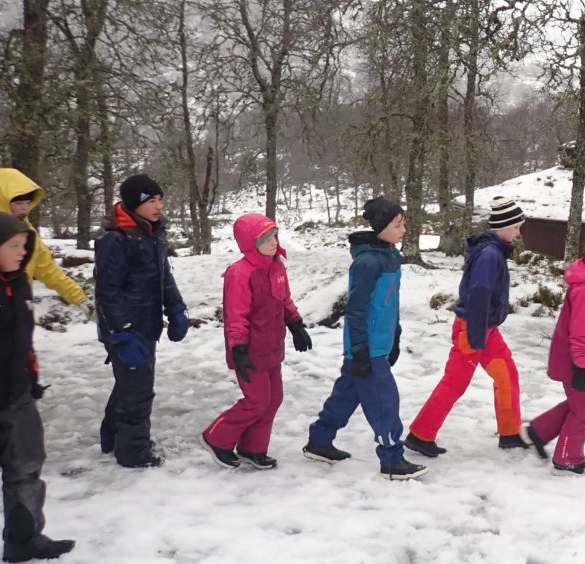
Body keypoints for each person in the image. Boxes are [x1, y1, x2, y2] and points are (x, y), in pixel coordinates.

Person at [303, 198, 427, 481]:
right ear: (380, 227)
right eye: (397, 225)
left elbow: (388, 305)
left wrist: (395, 336)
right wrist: (360, 350)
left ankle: (319, 441)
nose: (403, 230)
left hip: (379, 343)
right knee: (385, 401)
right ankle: (392, 460)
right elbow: (356, 310)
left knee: (346, 395)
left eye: (403, 224)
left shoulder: (390, 256)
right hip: (367, 347)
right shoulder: (368, 262)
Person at [0, 211, 75, 563]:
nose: (22, 253)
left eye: (24, 245)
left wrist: (30, 379)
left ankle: (24, 539)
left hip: (17, 396)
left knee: (27, 465)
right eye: (13, 246)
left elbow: (22, 340)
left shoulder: (17, 283)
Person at [404, 197, 530, 457]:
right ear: (503, 226)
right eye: (516, 227)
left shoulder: (494, 251)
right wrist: (475, 334)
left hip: (487, 329)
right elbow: (480, 292)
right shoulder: (489, 255)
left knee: (507, 374)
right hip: (473, 328)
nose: (518, 233)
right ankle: (420, 435)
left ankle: (510, 432)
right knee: (455, 382)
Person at [94, 174, 192, 468]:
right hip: (126, 329)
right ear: (134, 204)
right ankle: (133, 452)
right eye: (151, 201)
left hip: (147, 325)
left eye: (160, 199)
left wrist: (176, 309)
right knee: (138, 391)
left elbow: (164, 277)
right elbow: (107, 292)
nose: (158, 205)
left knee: (129, 384)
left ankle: (112, 437)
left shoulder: (152, 234)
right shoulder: (116, 240)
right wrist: (121, 333)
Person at [200, 214, 312, 470]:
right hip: (249, 351)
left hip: (272, 347)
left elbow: (284, 300)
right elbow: (236, 315)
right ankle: (216, 437)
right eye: (264, 239)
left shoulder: (276, 266)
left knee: (273, 399)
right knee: (257, 401)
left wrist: (296, 325)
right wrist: (238, 348)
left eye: (274, 236)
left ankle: (253, 449)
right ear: (250, 243)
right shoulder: (240, 273)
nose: (273, 242)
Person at [524, 227, 585, 475]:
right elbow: (579, 332)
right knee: (584, 408)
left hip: (581, 355)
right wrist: (581, 366)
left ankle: (537, 432)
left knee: (579, 403)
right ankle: (567, 459)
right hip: (574, 359)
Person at [0, 167, 87, 305]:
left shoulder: (28, 233)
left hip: (20, 307)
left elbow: (48, 270)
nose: (24, 208)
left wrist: (79, 298)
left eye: (28, 203)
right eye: (19, 203)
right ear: (1, 200)